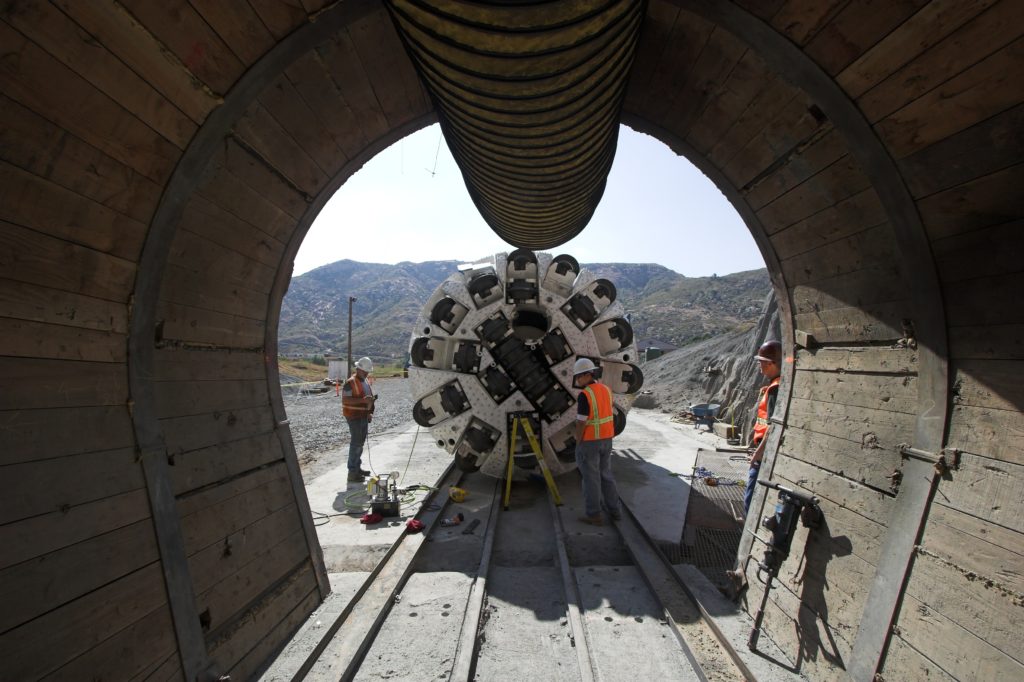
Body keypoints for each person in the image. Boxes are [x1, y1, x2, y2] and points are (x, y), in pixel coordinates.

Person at [572, 358, 621, 526]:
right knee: (606, 475)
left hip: (590, 442)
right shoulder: (606, 390)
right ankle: (615, 511)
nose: (578, 380)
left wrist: (578, 441)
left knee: (590, 479)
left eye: (579, 376)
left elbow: (581, 422)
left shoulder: (585, 395)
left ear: (588, 375)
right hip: (607, 439)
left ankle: (594, 515)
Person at [744, 340, 782, 516]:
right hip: (766, 449)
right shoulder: (776, 384)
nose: (759, 366)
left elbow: (773, 427)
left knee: (751, 500)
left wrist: (758, 454)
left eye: (761, 362)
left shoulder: (775, 388)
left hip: (765, 453)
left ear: (770, 363)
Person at [342, 356, 376, 482]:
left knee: (360, 444)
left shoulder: (365, 381)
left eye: (368, 371)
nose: (367, 373)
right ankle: (352, 472)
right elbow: (346, 400)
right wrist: (363, 401)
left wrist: (369, 412)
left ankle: (357, 468)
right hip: (353, 416)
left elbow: (368, 399)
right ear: (358, 369)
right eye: (365, 371)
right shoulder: (350, 383)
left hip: (363, 416)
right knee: (356, 444)